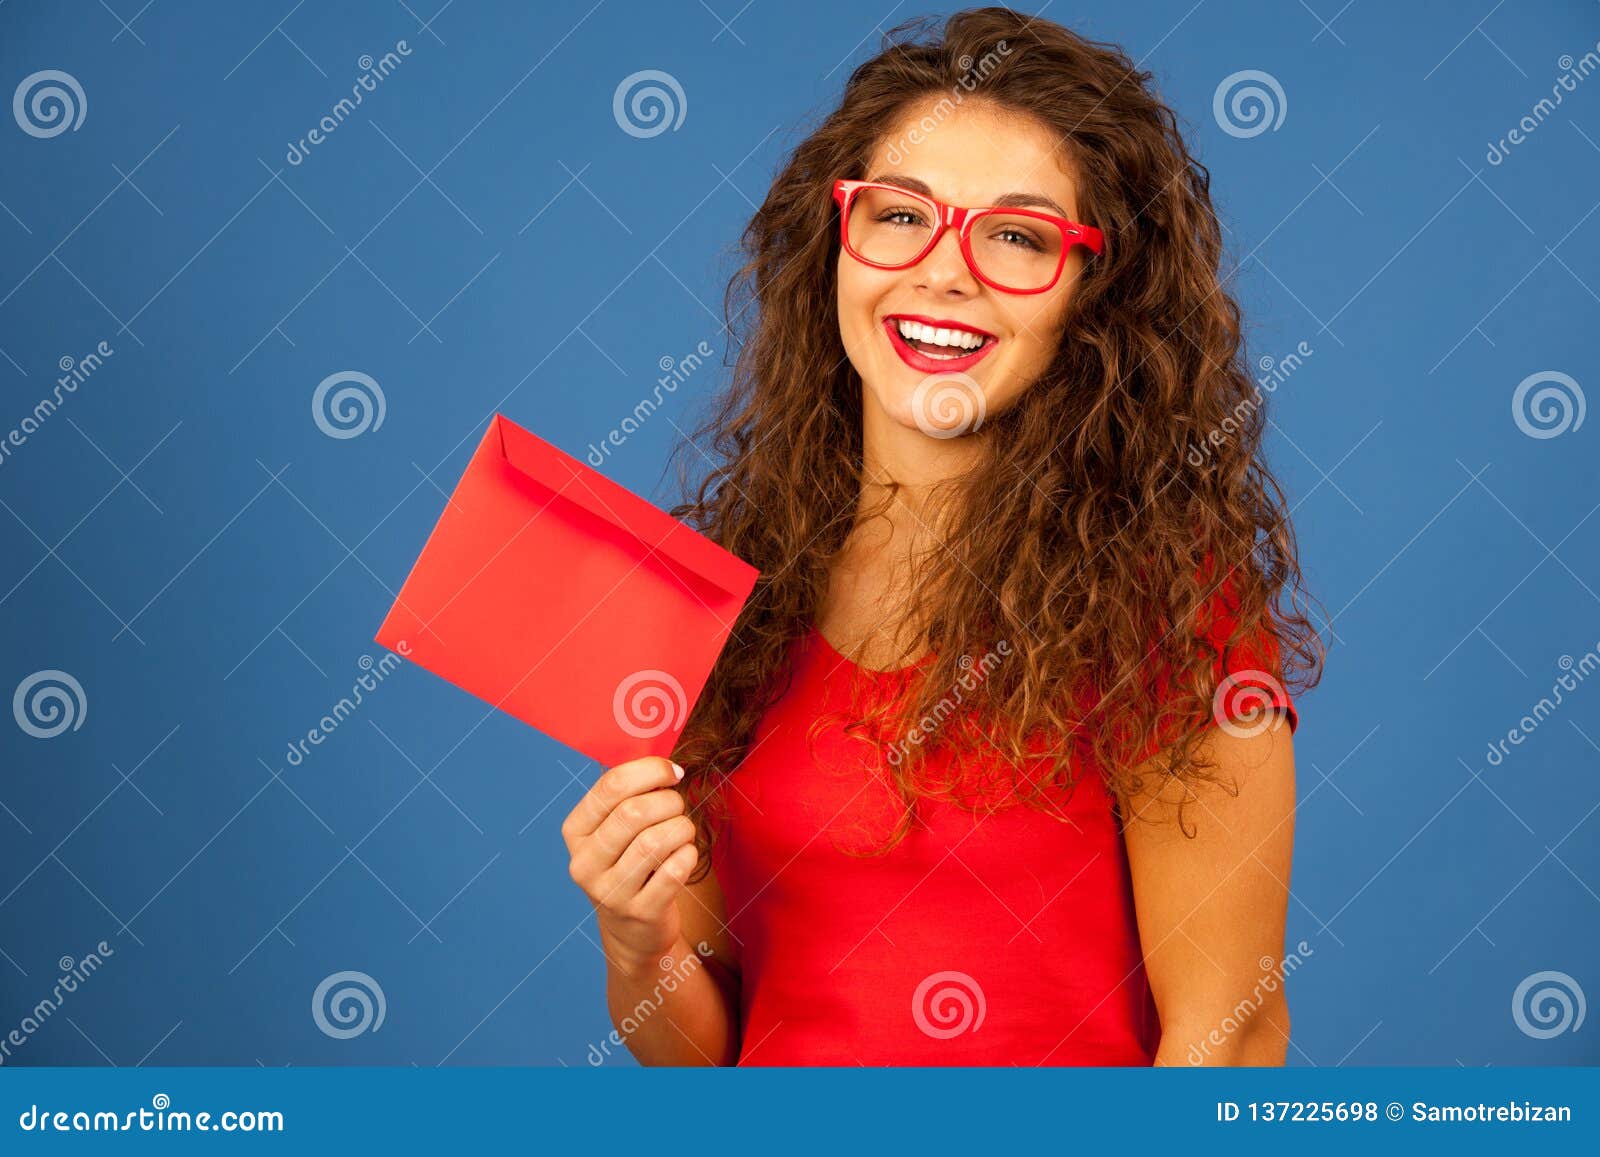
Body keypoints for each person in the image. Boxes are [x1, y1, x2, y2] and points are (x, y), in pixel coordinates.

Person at [562, 6, 1323, 1066]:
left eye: (1016, 236)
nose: (943, 271)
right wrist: (634, 937)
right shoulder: (737, 597)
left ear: (1092, 293)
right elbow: (706, 1050)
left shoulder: (1165, 604)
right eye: (900, 214)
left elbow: (1229, 1036)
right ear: (840, 239)